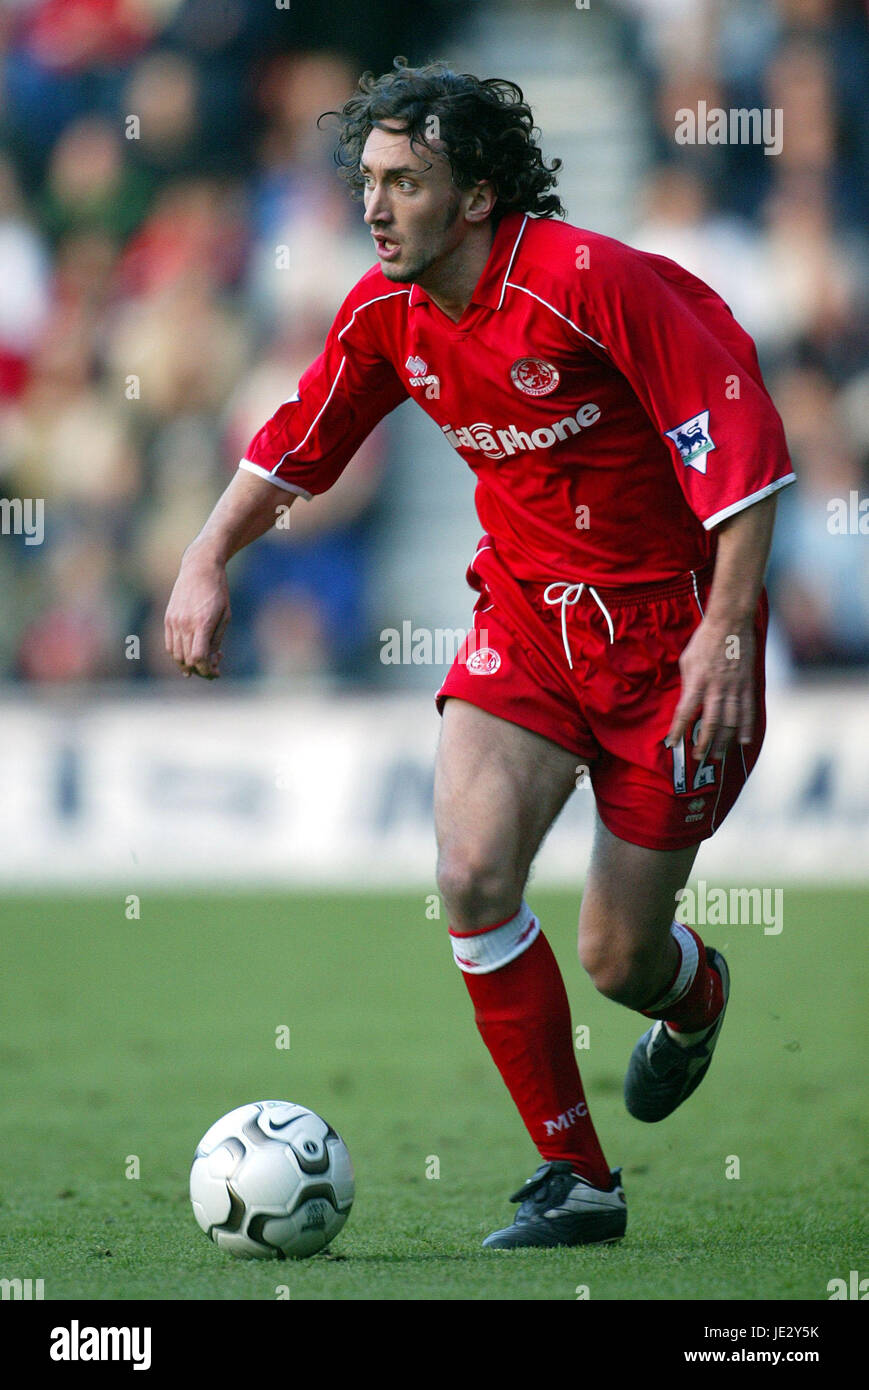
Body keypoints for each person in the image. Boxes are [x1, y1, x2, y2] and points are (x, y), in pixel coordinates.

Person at [164, 60, 795, 1250]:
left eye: (405, 180)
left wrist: (725, 624)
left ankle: (692, 987)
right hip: (524, 624)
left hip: (673, 642)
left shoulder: (586, 282)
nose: (375, 204)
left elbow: (741, 432)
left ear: (475, 195)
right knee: (467, 874)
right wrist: (206, 557)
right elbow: (298, 443)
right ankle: (577, 1177)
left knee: (617, 957)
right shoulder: (384, 316)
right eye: (366, 180)